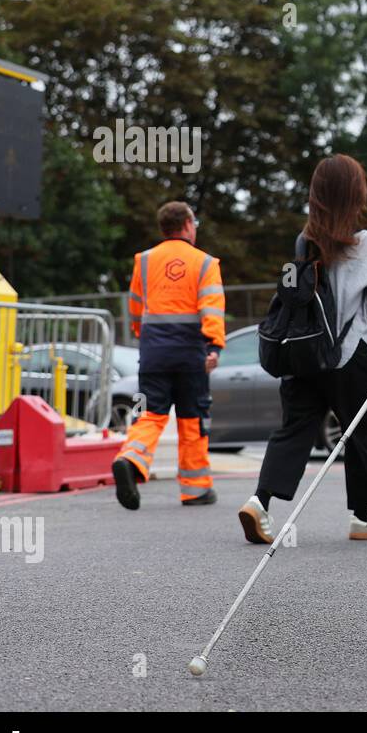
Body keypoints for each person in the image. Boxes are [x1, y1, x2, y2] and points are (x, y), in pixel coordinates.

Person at [237, 155, 367, 544]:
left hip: (304, 353)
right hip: (350, 354)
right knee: (357, 432)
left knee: (294, 428)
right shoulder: (365, 244)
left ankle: (259, 502)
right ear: (355, 194)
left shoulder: (303, 243)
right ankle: (363, 518)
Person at [113, 201, 225, 510]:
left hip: (153, 354)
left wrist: (144, 337)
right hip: (191, 356)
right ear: (187, 225)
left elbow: (136, 306)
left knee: (149, 413)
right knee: (193, 419)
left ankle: (130, 459)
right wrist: (213, 346)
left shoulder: (144, 261)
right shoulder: (204, 263)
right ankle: (195, 488)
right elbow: (211, 308)